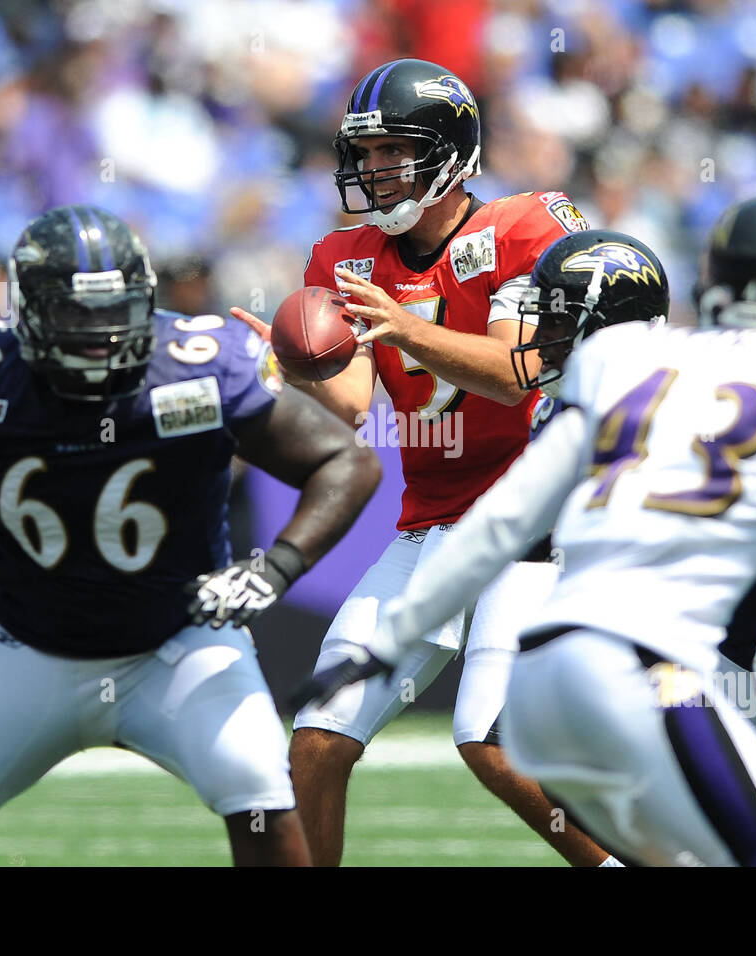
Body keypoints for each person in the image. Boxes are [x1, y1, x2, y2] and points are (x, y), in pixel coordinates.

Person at [298, 201, 756, 866]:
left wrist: (390, 639)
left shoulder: (616, 366)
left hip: (545, 677)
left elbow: (501, 520)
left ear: (711, 285)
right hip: (653, 673)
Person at [0, 204, 380, 866]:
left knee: (262, 804)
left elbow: (347, 461)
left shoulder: (195, 366)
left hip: (180, 643)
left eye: (113, 311)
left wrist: (276, 566)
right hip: (22, 650)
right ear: (30, 311)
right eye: (76, 315)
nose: (99, 336)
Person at [232, 57, 615, 866]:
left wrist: (407, 330)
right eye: (364, 154)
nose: (373, 170)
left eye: (392, 150)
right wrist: (299, 368)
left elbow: (517, 372)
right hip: (432, 524)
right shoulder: (346, 256)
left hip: (532, 518)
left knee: (491, 741)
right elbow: (356, 403)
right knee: (316, 740)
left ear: (451, 151)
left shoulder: (523, 227)